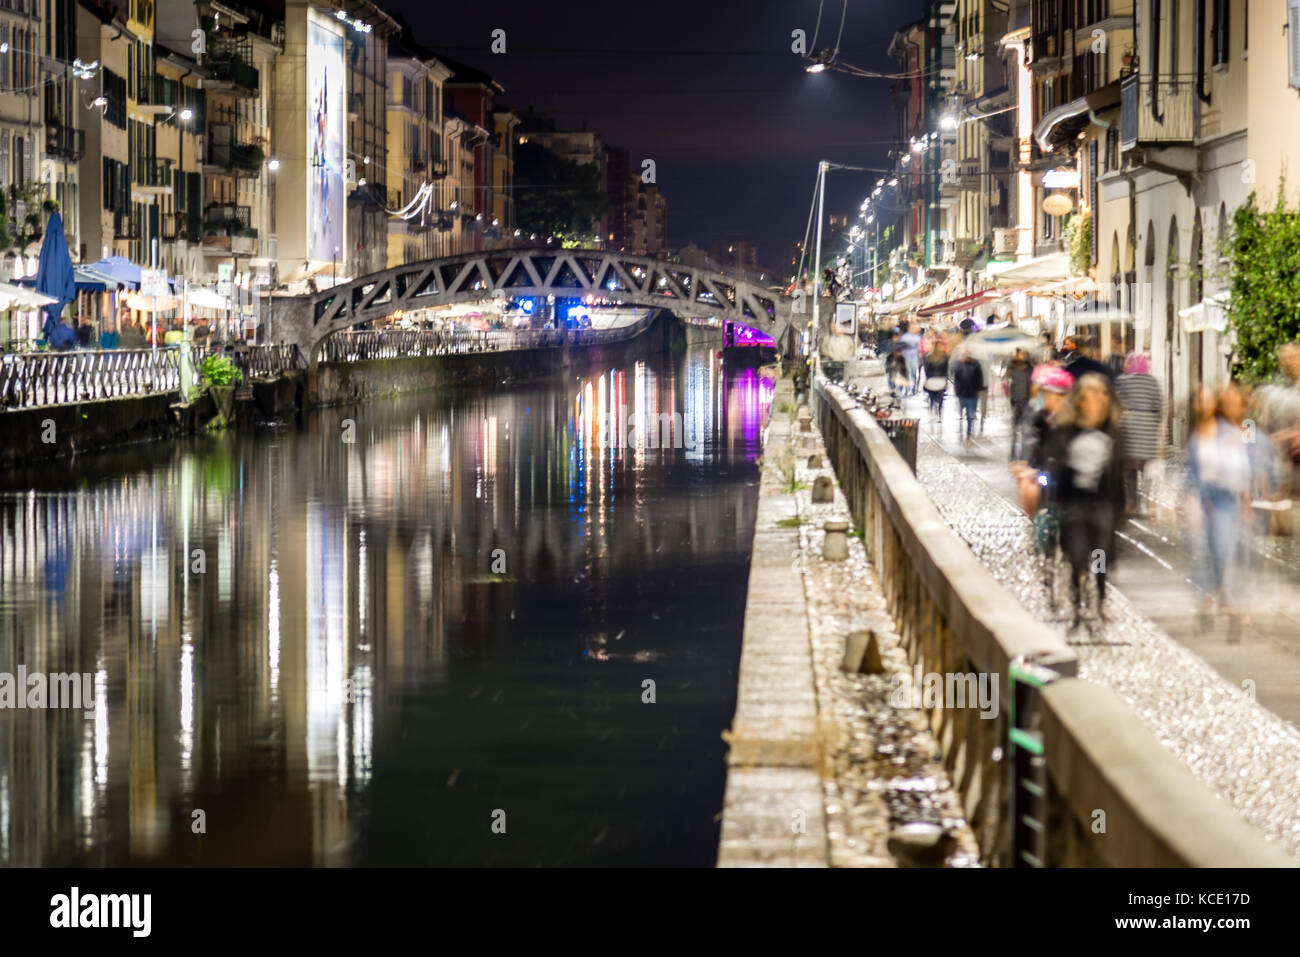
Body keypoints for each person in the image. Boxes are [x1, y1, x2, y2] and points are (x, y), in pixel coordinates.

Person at [1042, 373, 1125, 629]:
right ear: (1079, 401)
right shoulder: (1067, 431)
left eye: (1099, 398)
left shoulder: (1112, 432)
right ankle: (1077, 603)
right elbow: (1054, 463)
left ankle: (1098, 597)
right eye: (1088, 398)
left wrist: (1121, 505)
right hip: (1074, 505)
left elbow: (1119, 472)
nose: (1093, 404)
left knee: (1099, 554)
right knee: (1076, 556)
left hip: (1102, 505)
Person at [1188, 384, 1252, 619]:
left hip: (1225, 497)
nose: (1203, 405)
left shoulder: (1229, 431)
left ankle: (1225, 597)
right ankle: (1207, 593)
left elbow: (1241, 465)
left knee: (1223, 547)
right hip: (1202, 496)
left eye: (1208, 400)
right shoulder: (1196, 433)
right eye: (1199, 401)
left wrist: (1245, 497)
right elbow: (1191, 468)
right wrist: (1188, 497)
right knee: (1202, 546)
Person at [1115, 352, 1162, 516]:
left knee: (1129, 470)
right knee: (1146, 468)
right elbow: (1159, 406)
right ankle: (1145, 503)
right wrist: (1155, 422)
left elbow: (1117, 402)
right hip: (1147, 430)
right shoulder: (1152, 382)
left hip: (1129, 429)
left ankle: (1132, 501)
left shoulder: (1122, 381)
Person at [952, 346, 984, 441]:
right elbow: (956, 378)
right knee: (961, 413)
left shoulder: (976, 364)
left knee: (970, 414)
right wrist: (957, 390)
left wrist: (978, 389)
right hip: (962, 393)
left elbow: (979, 378)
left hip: (972, 394)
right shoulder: (958, 364)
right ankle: (961, 429)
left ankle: (969, 432)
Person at [1007, 348, 1034, 459]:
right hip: (1015, 402)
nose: (1022, 356)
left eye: (1024, 354)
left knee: (1026, 431)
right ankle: (1013, 454)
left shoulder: (1030, 369)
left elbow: (1033, 386)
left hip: (1027, 403)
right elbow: (1008, 384)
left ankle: (1024, 455)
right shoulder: (1011, 367)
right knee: (1014, 430)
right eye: (1020, 354)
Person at [922, 334, 950, 420]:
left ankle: (931, 412)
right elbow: (946, 370)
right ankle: (939, 415)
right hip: (941, 380)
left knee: (932, 398)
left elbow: (926, 370)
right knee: (940, 399)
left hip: (931, 380)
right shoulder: (945, 357)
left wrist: (928, 378)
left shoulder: (928, 356)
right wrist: (945, 380)